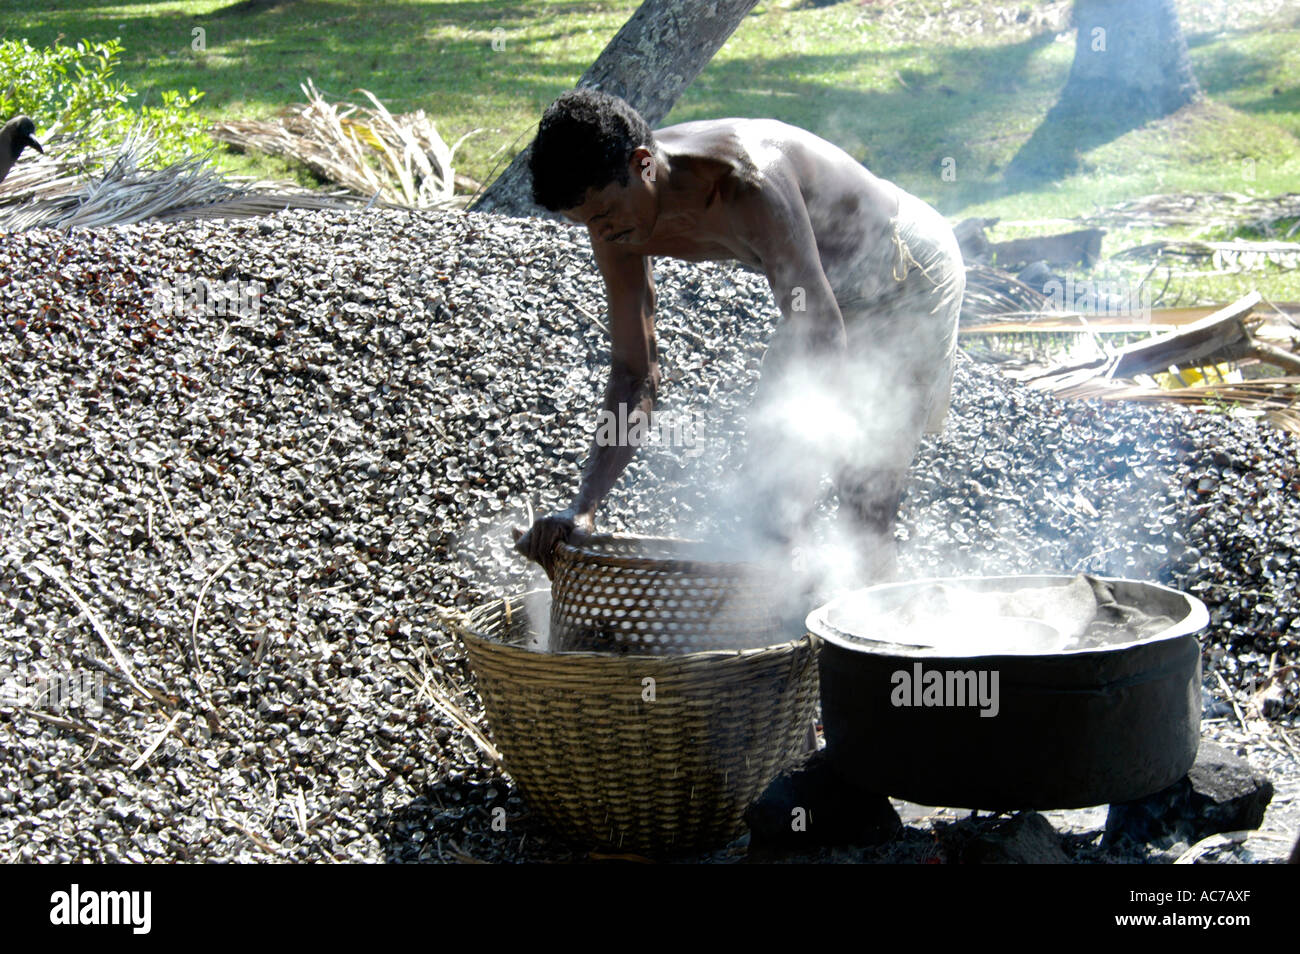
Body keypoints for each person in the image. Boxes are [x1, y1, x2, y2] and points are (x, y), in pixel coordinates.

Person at [513, 88, 964, 586]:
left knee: (863, 494)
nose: (600, 232)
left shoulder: (746, 180)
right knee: (771, 511)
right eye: (584, 225)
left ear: (643, 165)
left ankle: (877, 645)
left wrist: (805, 465)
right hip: (819, 297)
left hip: (905, 269)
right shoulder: (615, 226)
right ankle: (791, 639)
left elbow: (821, 332)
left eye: (602, 216)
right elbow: (634, 372)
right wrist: (585, 506)